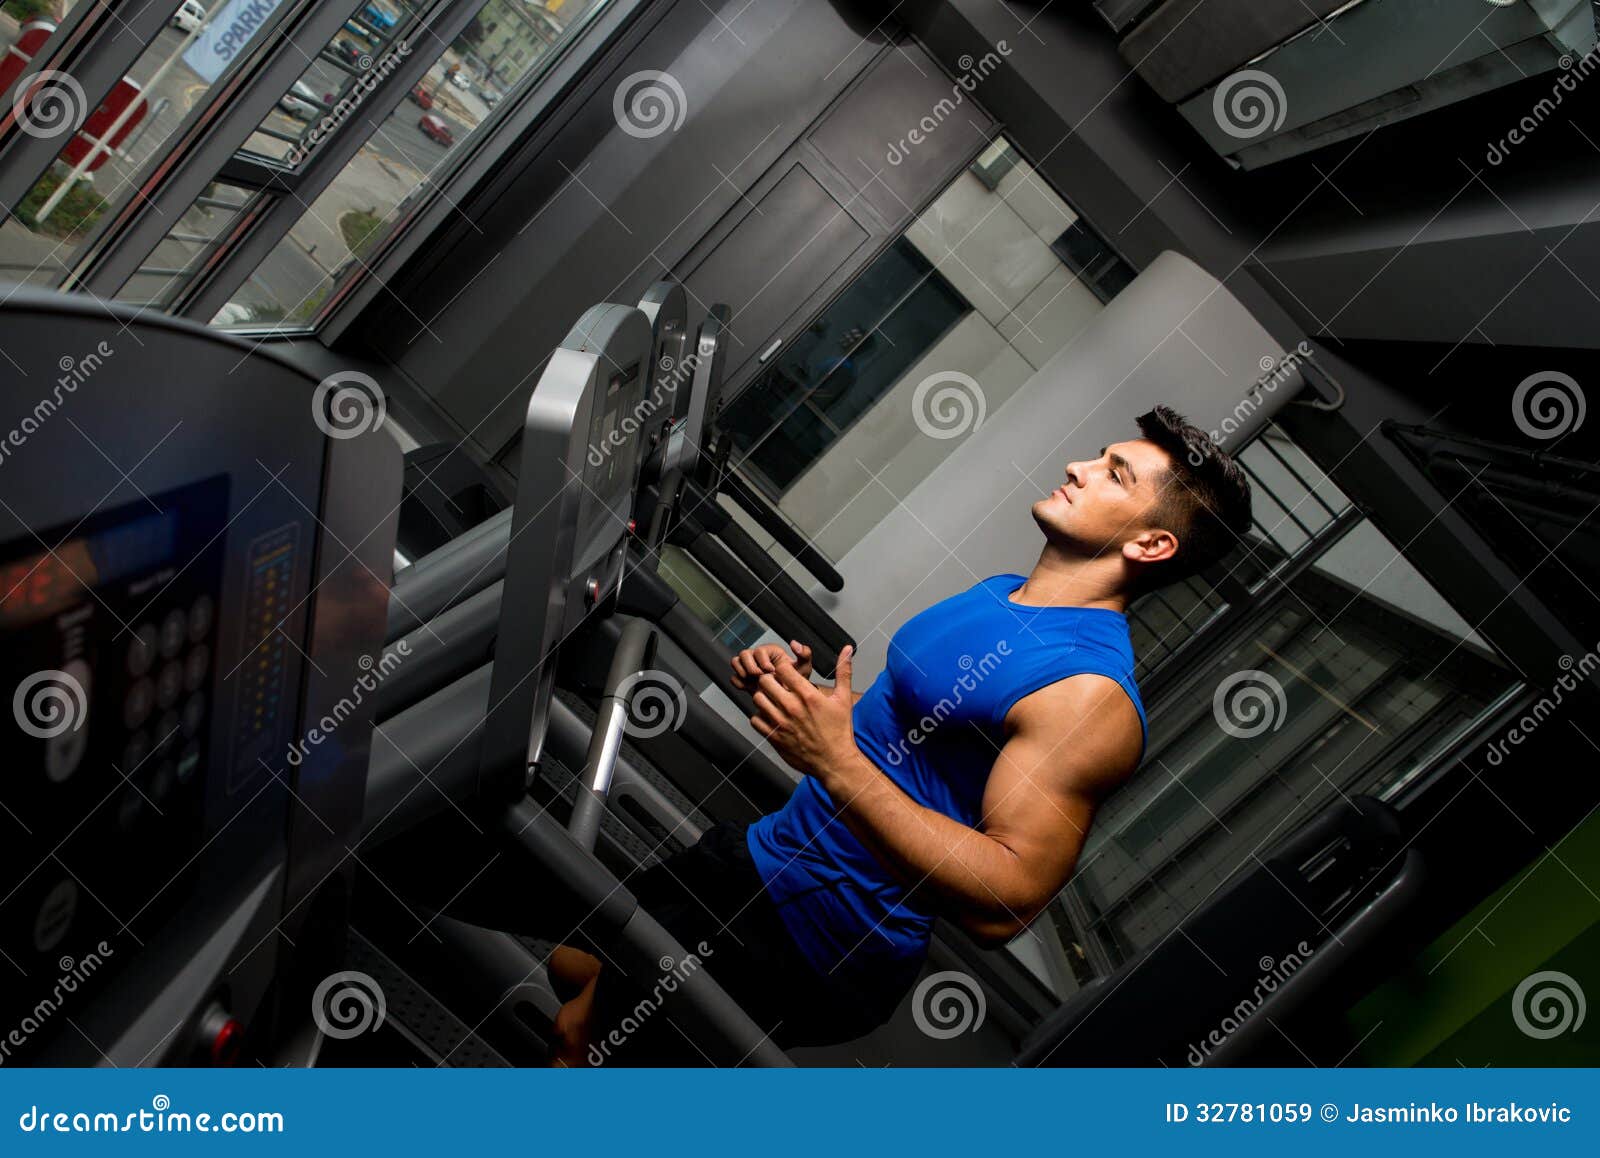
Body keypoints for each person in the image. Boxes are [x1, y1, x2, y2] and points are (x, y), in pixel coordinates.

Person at [548, 403, 1254, 1065]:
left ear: (1153, 542)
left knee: (579, 1044)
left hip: (813, 935)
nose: (1080, 467)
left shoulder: (1090, 695)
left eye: (1115, 475)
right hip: (768, 854)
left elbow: (1006, 905)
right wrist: (807, 700)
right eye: (1100, 456)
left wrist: (837, 762)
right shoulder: (1004, 590)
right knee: (571, 964)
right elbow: (914, 746)